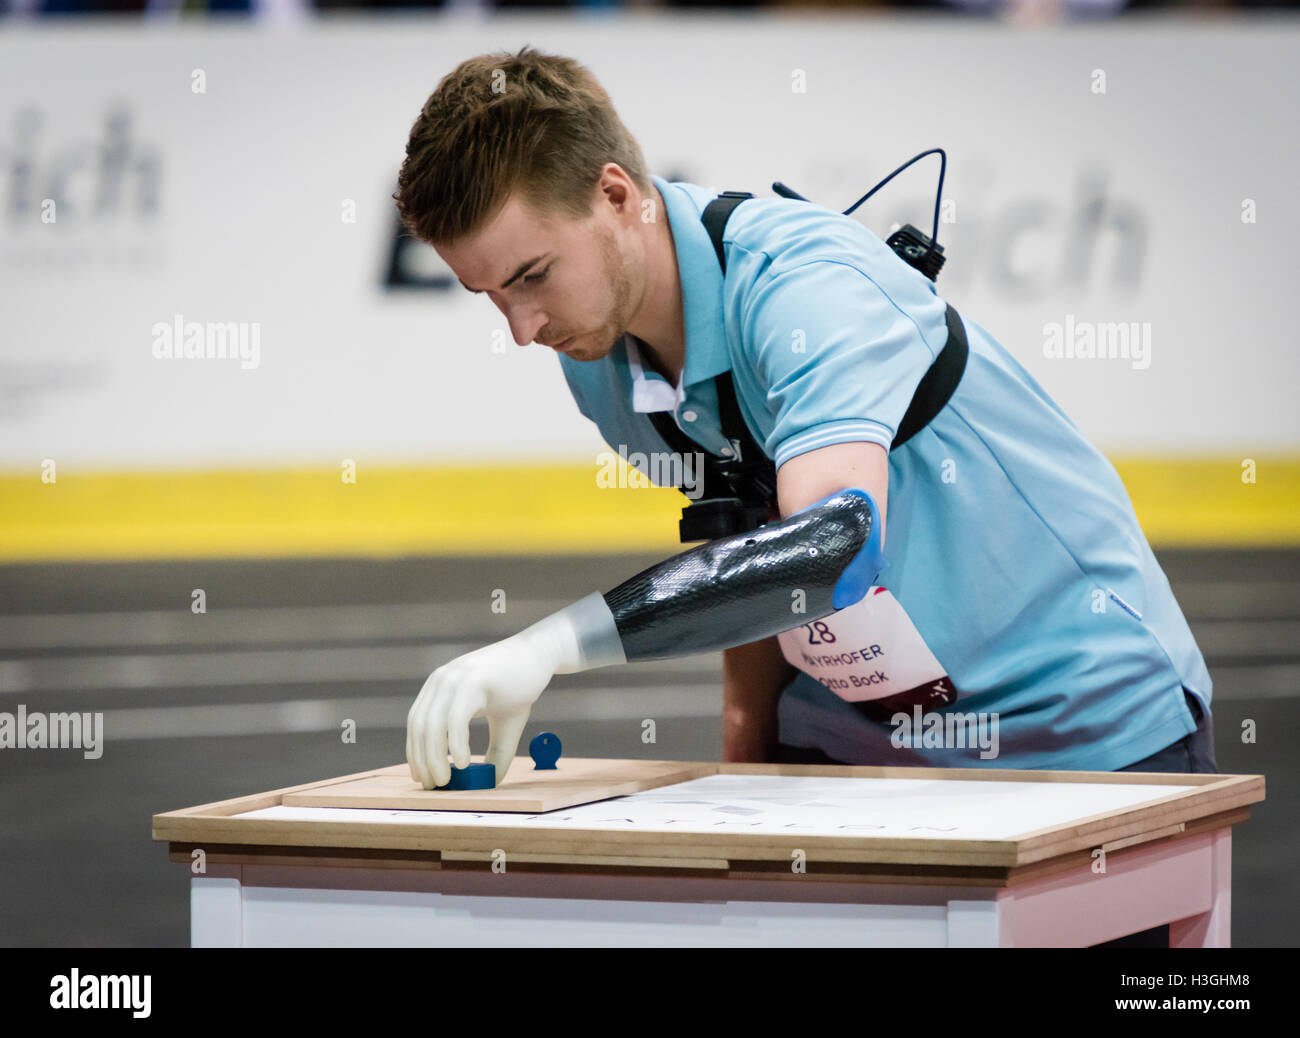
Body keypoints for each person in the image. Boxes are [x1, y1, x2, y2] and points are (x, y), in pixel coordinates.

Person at [394, 46, 1216, 810]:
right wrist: (747, 760)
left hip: (1081, 738)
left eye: (533, 276)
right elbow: (747, 544)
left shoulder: (806, 288)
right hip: (858, 754)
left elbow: (832, 554)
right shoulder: (596, 360)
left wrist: (548, 646)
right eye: (492, 295)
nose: (523, 329)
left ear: (615, 196)